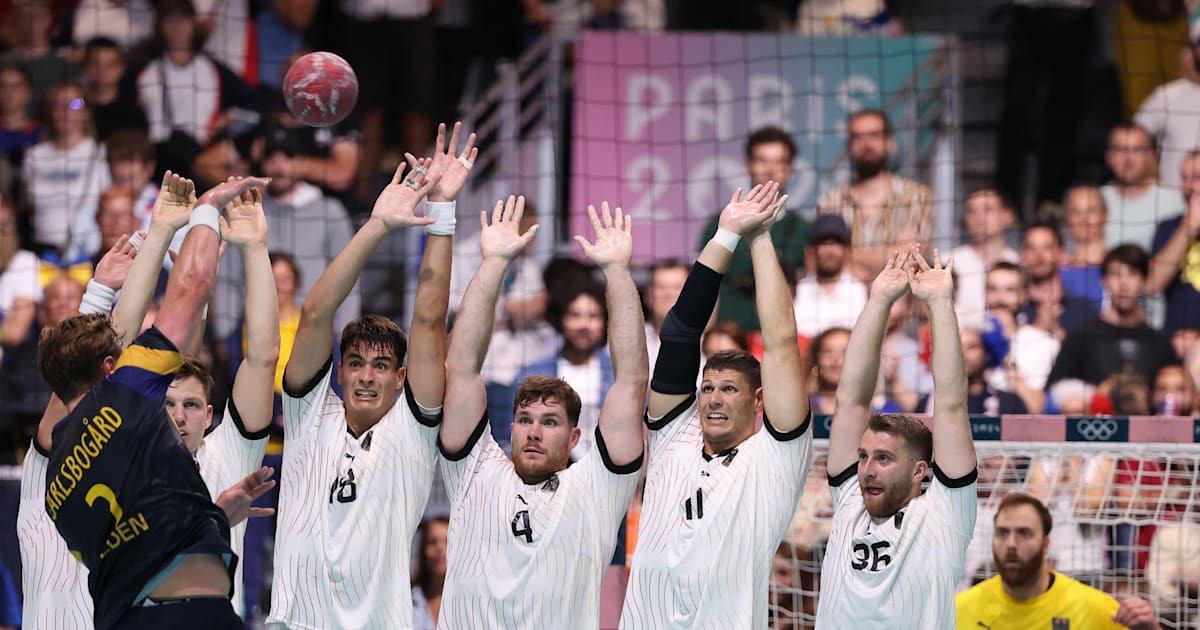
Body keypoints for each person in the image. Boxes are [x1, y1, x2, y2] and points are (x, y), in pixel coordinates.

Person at [33, 172, 268, 629]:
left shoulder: (55, 484)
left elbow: (135, 548)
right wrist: (209, 208)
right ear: (108, 368)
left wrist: (213, 516)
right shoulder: (124, 392)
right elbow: (194, 280)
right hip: (192, 617)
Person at [265, 123, 471, 629]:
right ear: (340, 370)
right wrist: (377, 225)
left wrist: (441, 211)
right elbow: (315, 314)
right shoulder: (311, 412)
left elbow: (428, 320)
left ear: (400, 378)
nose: (365, 376)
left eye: (381, 366)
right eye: (355, 363)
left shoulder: (412, 431)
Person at [437, 197, 647, 626]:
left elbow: (631, 382)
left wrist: (618, 275)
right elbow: (460, 370)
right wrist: (495, 262)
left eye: (550, 422)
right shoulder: (477, 473)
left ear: (574, 438)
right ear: (510, 427)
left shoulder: (594, 490)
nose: (533, 431)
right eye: (527, 420)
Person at [621, 182, 815, 627]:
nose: (712, 399)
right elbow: (680, 332)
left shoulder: (775, 456)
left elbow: (783, 344)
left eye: (729, 389)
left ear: (758, 399)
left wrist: (760, 236)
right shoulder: (673, 433)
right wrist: (725, 236)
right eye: (708, 388)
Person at [814, 245, 977, 628]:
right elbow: (852, 400)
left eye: (883, 459)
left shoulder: (943, 515)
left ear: (921, 470)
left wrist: (938, 303)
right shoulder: (850, 500)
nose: (867, 469)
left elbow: (951, 402)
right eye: (865, 456)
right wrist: (879, 301)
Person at [956, 492, 1161, 630]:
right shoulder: (959, 611)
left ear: (1046, 544)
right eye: (1002, 533)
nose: (1011, 543)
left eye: (1024, 533)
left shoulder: (1094, 609)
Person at [697, 127, 808, 333]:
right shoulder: (721, 223)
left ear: (790, 168)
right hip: (727, 336)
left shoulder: (803, 230)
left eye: (779, 162)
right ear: (749, 165)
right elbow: (702, 285)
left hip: (781, 334)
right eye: (762, 160)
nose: (770, 169)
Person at [817, 110, 932, 283]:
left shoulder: (917, 197)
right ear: (849, 146)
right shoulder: (829, 203)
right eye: (858, 137)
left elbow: (913, 260)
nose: (866, 144)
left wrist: (846, 254)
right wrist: (894, 252)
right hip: (846, 305)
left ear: (890, 142)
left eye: (874, 135)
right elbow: (820, 262)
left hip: (900, 306)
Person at [1047, 244, 1177, 387]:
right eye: (1116, 274)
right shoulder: (1080, 338)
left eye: (1132, 274)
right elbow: (1054, 392)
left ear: (1144, 281)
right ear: (1103, 281)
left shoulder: (1160, 344)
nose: (1124, 283)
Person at [1101, 123, 1184, 252]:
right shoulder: (1094, 201)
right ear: (1108, 156)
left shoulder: (1174, 203)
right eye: (1120, 150)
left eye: (1136, 149)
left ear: (1151, 155)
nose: (1128, 159)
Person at [949, 185, 1019, 327]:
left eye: (988, 209)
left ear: (1008, 215)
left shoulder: (1020, 264)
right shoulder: (948, 263)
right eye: (972, 211)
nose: (979, 218)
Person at [1147, 150, 1200, 335]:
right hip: (1175, 342)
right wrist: (1188, 228)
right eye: (1185, 178)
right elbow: (1153, 283)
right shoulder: (1169, 228)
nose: (1190, 186)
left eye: (1197, 178)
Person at [793, 214, 867, 339]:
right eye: (824, 244)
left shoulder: (858, 290)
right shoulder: (799, 290)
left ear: (847, 249)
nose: (830, 251)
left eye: (836, 243)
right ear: (813, 249)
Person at [411, 516, 448, 630]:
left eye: (448, 542)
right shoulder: (409, 601)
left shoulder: (473, 603)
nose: (440, 548)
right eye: (432, 542)